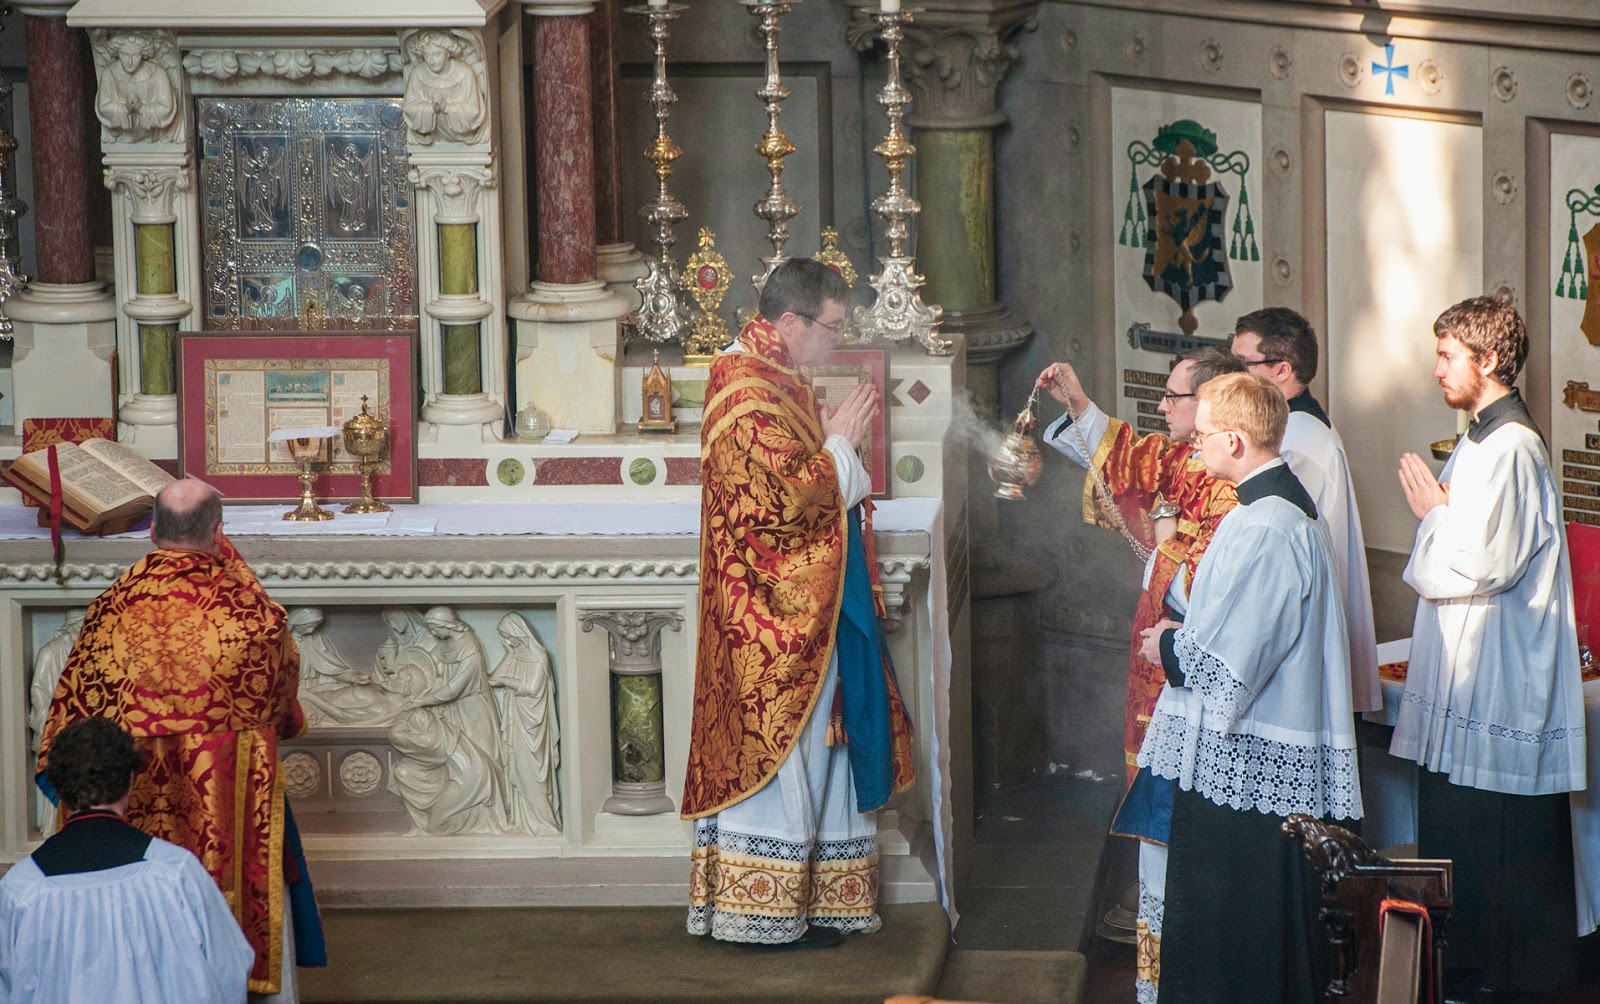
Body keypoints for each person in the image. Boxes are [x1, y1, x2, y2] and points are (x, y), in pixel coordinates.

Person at [682, 258, 915, 948]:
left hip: (795, 596)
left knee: (818, 746)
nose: (836, 343)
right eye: (831, 328)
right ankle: (764, 915)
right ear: (789, 323)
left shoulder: (773, 374)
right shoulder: (742, 389)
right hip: (770, 613)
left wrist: (836, 441)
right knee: (785, 751)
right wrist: (840, 441)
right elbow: (786, 502)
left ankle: (818, 900)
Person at [35, 479, 324, 999]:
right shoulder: (250, 616)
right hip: (221, 808)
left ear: (151, 531)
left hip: (131, 799)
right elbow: (281, 704)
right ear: (218, 532)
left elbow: (74, 716)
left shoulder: (110, 611)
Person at [1135, 371, 1360, 1003]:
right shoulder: (1266, 513)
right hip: (1248, 765)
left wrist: (1168, 645)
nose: (1195, 444)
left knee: (1238, 947)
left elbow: (1232, 669)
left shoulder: (1267, 526)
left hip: (1251, 771)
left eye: (1202, 434)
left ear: (1234, 441)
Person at [1391, 296, 1586, 997]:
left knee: (1497, 842)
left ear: (1488, 360)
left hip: (1497, 677)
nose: (1437, 367)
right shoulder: (1478, 437)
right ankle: (1468, 967)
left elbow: (1482, 564)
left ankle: (1502, 978)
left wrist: (1434, 518)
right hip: (1468, 673)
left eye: (1448, 355)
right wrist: (1439, 518)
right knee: (1461, 834)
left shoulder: (1511, 447)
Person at [1036, 346, 1242, 1000]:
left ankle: (1184, 964)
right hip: (1165, 663)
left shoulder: (1233, 486)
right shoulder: (1192, 458)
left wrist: (1168, 550)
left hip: (1189, 677)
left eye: (1174, 397)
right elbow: (1134, 454)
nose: (1162, 406)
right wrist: (1077, 401)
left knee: (1181, 827)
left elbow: (1216, 590)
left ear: (1209, 406)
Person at [1, 718, 255, 1003]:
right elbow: (229, 967)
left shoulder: (21, 887)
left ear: (57, 788)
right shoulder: (175, 871)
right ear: (131, 781)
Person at [1231, 308, 1380, 714]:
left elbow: (1274, 549)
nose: (1232, 378)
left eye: (1244, 365)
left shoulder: (1298, 441)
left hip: (1297, 637)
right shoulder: (1288, 429)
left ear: (1282, 369)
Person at [490, 613, 562, 835]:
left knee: (529, 771)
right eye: (502, 637)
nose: (505, 640)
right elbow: (492, 677)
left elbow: (531, 688)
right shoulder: (516, 655)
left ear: (517, 633)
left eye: (506, 635)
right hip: (516, 722)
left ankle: (545, 822)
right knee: (516, 770)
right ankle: (523, 821)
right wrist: (509, 654)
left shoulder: (540, 656)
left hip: (533, 727)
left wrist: (505, 681)